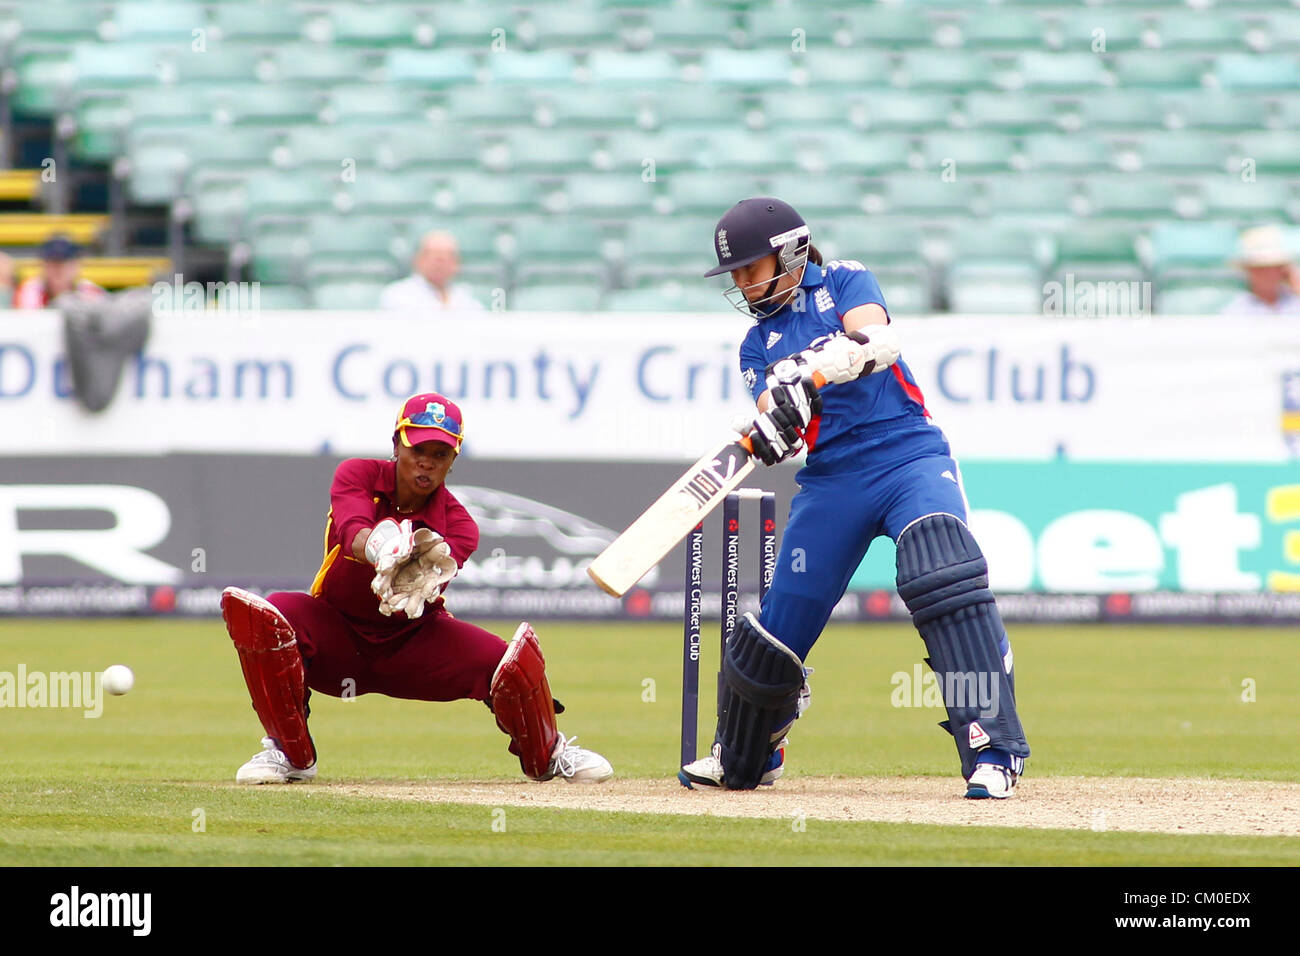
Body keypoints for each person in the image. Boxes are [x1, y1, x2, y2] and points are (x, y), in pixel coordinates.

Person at [679, 198, 1030, 798]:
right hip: (832, 478)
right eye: (733, 274)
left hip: (907, 454)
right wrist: (774, 422)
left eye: (749, 268)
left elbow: (876, 340)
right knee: (776, 630)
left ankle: (992, 748)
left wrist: (811, 371)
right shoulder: (754, 343)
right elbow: (775, 410)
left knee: (940, 569)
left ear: (790, 252)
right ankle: (748, 752)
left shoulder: (844, 279)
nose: (741, 283)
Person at [220, 391, 612, 785]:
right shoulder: (357, 474)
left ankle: (548, 755)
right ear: (396, 443)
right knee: (269, 612)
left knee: (511, 662)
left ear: (453, 460)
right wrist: (381, 548)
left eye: (440, 454)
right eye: (417, 448)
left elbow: (441, 573)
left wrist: (416, 577)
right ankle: (289, 754)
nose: (426, 461)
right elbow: (351, 528)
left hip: (411, 640)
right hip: (337, 635)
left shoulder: (460, 525)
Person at [379, 230, 484, 313]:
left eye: (447, 257)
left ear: (457, 264)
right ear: (417, 259)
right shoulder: (397, 294)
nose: (440, 263)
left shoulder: (465, 297)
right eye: (434, 256)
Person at [1221, 225, 1300, 316]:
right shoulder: (1235, 311)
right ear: (1248, 270)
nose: (1267, 274)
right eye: (1260, 269)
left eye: (1273, 267)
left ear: (1283, 270)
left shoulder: (1295, 301)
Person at [14, 235, 105, 308]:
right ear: (43, 266)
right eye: (53, 263)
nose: (58, 269)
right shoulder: (29, 291)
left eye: (64, 263)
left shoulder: (91, 292)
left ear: (76, 266)